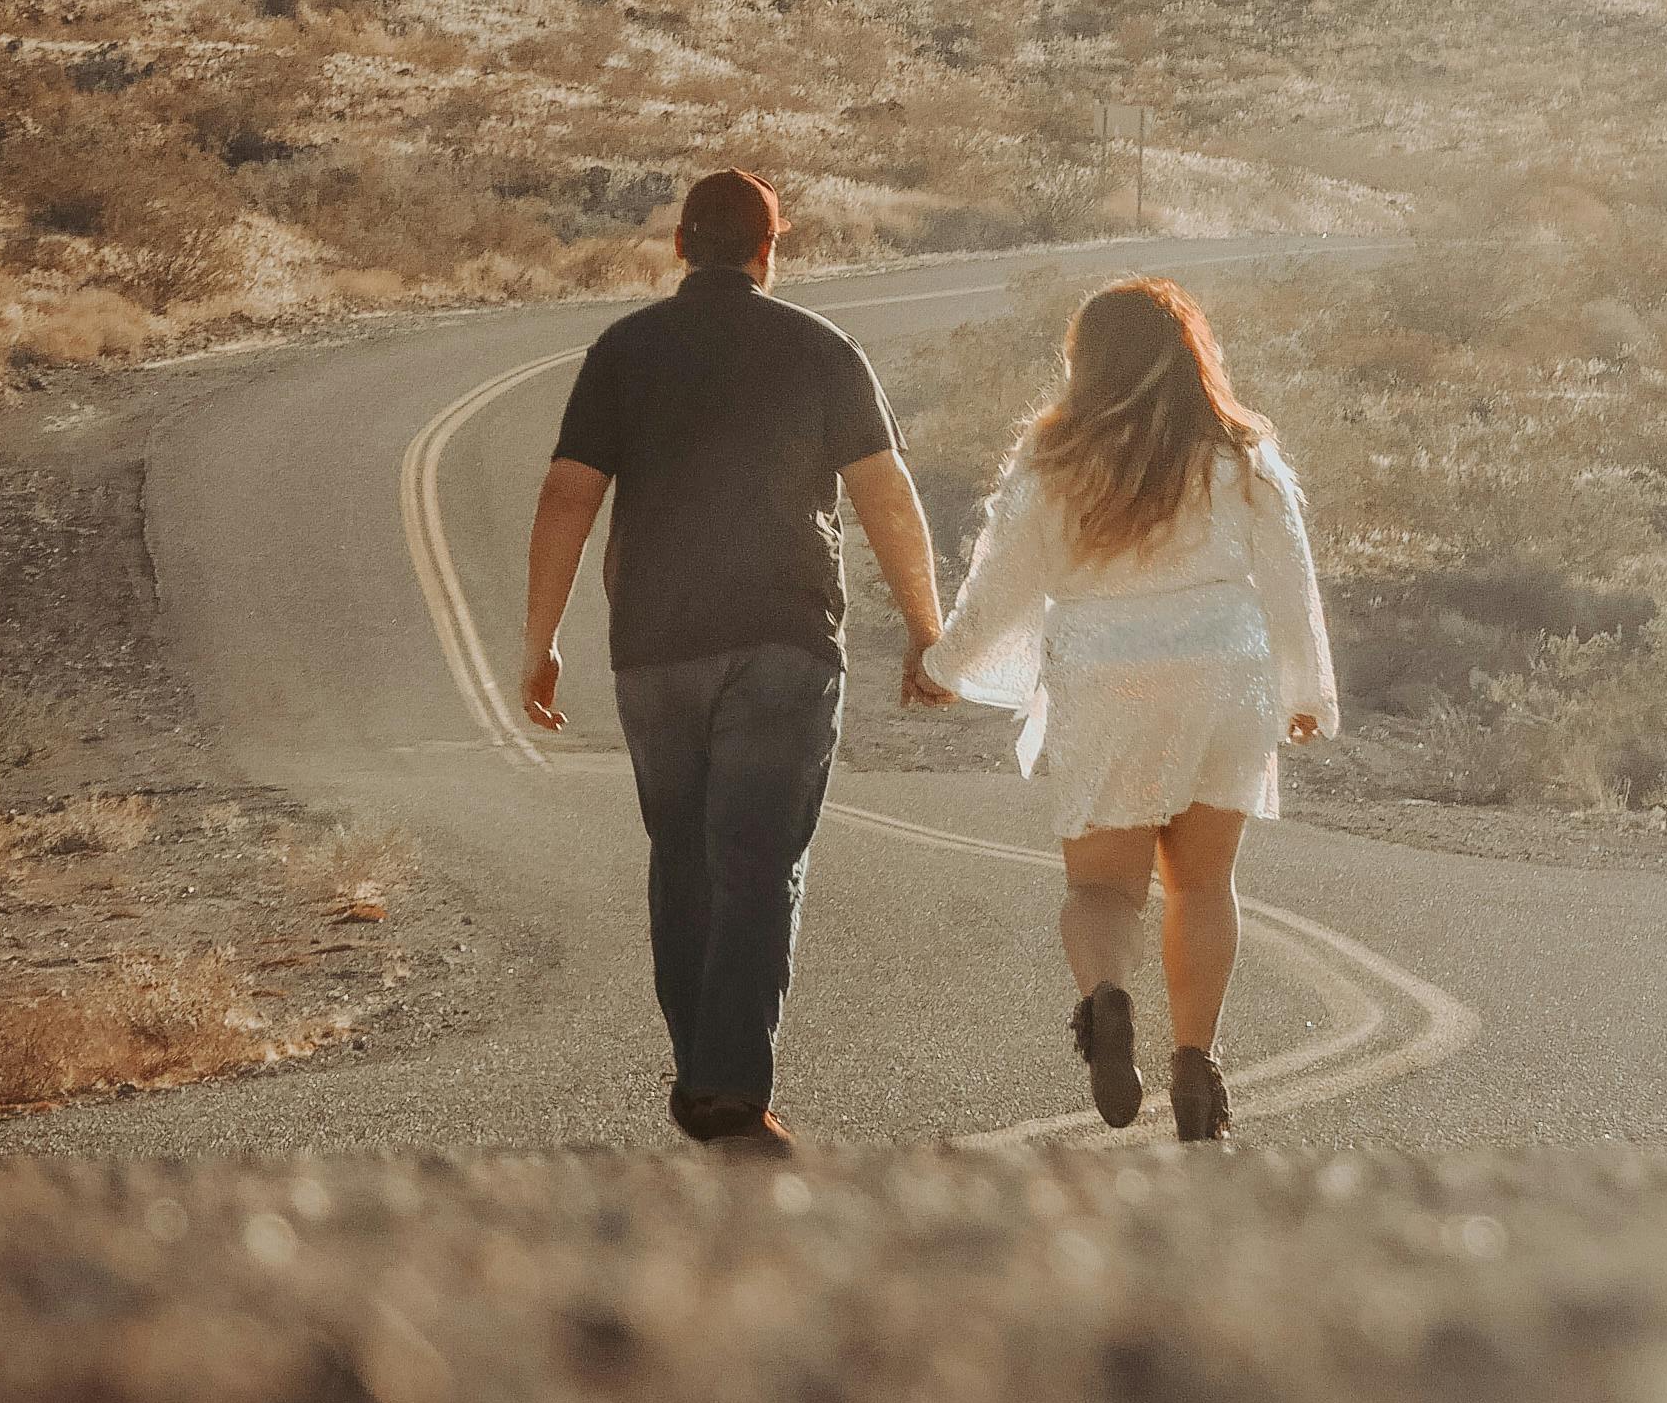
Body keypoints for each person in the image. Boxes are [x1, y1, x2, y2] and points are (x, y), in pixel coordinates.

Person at [519, 168, 948, 1153]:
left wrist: (539, 642)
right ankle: (726, 1083)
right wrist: (927, 629)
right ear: (770, 248)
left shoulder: (626, 350)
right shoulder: (822, 348)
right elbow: (887, 496)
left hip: (655, 646)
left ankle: (706, 1080)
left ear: (680, 245)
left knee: (683, 858)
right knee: (756, 860)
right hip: (784, 639)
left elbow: (564, 497)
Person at [923, 278, 1336, 1145]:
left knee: (1102, 887)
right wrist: (1303, 691)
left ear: (1085, 361)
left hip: (1107, 674)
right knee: (1203, 884)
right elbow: (1289, 578)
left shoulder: (1054, 459)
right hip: (1226, 668)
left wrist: (944, 664)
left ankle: (1107, 1002)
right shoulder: (1242, 451)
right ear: (1193, 358)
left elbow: (1003, 579)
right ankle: (1197, 1069)